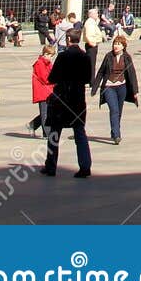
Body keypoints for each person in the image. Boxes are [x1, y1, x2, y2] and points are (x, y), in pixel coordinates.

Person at [42, 28, 93, 178]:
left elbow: (53, 78)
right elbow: (87, 78)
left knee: (54, 134)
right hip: (78, 100)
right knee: (80, 133)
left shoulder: (63, 56)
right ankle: (85, 166)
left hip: (61, 99)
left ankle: (51, 166)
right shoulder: (85, 57)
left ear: (68, 40)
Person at [92, 35, 140, 144]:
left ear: (123, 46)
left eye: (118, 44)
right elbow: (101, 72)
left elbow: (132, 74)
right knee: (114, 110)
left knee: (119, 111)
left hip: (122, 87)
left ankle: (114, 131)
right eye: (115, 44)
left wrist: (135, 91)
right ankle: (117, 135)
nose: (116, 46)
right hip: (109, 87)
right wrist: (95, 87)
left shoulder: (127, 57)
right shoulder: (108, 56)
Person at [30, 42, 56, 136]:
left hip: (49, 91)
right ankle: (47, 133)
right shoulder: (39, 63)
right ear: (45, 54)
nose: (51, 58)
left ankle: (33, 124)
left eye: (52, 56)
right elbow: (45, 78)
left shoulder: (48, 63)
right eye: (50, 56)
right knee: (45, 114)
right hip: (42, 92)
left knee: (49, 112)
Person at [82, 7, 101, 81]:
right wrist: (92, 44)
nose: (97, 15)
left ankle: (91, 79)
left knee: (92, 63)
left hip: (93, 44)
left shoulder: (92, 21)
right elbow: (89, 35)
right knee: (91, 64)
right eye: (96, 13)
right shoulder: (90, 22)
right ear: (92, 14)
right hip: (91, 45)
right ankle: (91, 80)